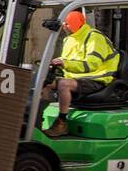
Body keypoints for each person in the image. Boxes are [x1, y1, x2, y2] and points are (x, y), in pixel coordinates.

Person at [42, 9, 120, 138]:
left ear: (73, 24)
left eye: (67, 24)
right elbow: (68, 63)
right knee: (43, 82)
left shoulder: (94, 37)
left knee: (63, 85)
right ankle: (36, 118)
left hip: (97, 79)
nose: (63, 27)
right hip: (78, 79)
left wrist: (65, 63)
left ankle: (62, 123)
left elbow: (92, 64)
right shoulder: (69, 39)